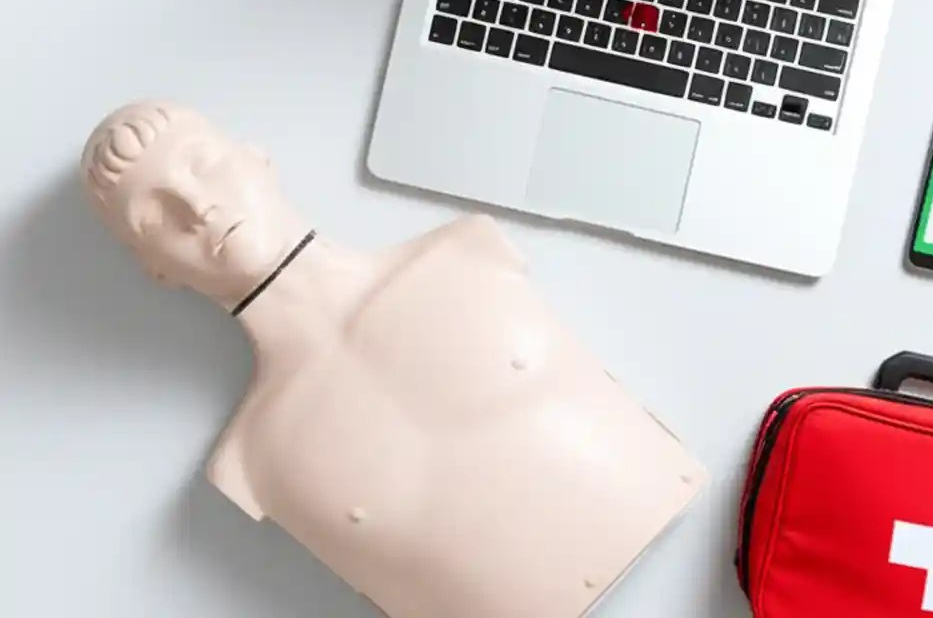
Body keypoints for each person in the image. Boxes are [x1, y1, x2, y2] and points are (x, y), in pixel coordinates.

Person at [81, 102, 707, 618]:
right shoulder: (247, 464)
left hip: (701, 554)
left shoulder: (468, 252)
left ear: (258, 160)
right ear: (154, 269)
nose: (198, 210)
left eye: (206, 167)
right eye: (156, 218)